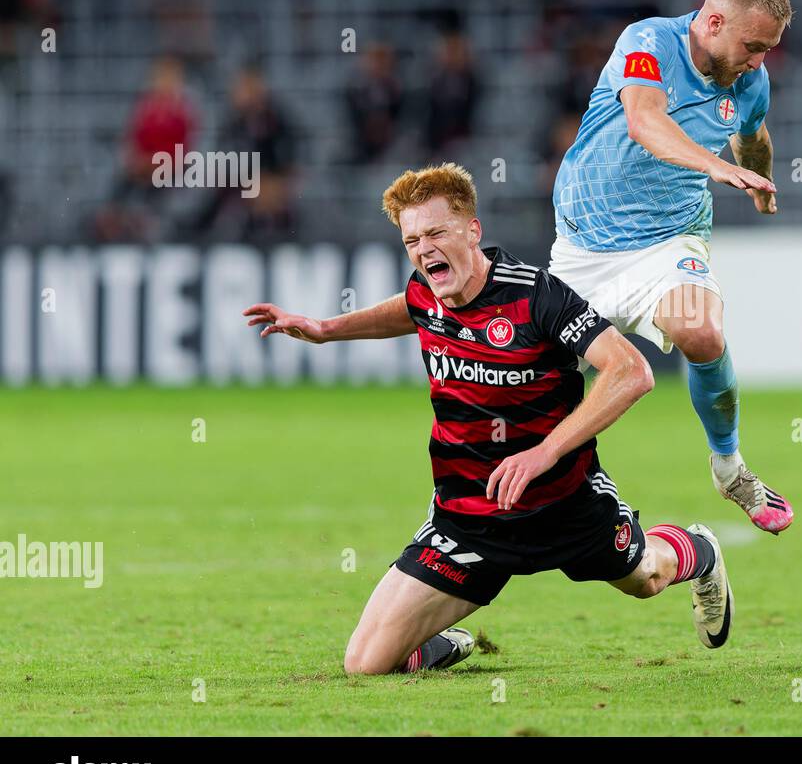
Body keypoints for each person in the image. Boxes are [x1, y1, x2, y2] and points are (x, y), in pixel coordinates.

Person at [243, 163, 734, 674]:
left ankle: (699, 550)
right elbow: (409, 308)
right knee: (364, 664)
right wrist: (326, 328)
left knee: (647, 579)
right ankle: (447, 642)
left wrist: (545, 452)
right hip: (470, 520)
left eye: (435, 232)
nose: (423, 248)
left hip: (565, 504)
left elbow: (632, 372)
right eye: (412, 239)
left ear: (472, 230)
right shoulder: (426, 291)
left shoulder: (536, 296)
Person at [549, 0, 795, 535]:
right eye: (752, 45)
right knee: (529, 400)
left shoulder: (751, 82)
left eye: (768, 49)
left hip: (669, 238)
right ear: (712, 21)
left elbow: (753, 137)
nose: (759, 61)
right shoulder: (648, 41)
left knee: (700, 330)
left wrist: (759, 184)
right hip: (584, 249)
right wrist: (719, 168)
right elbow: (643, 120)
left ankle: (730, 467)